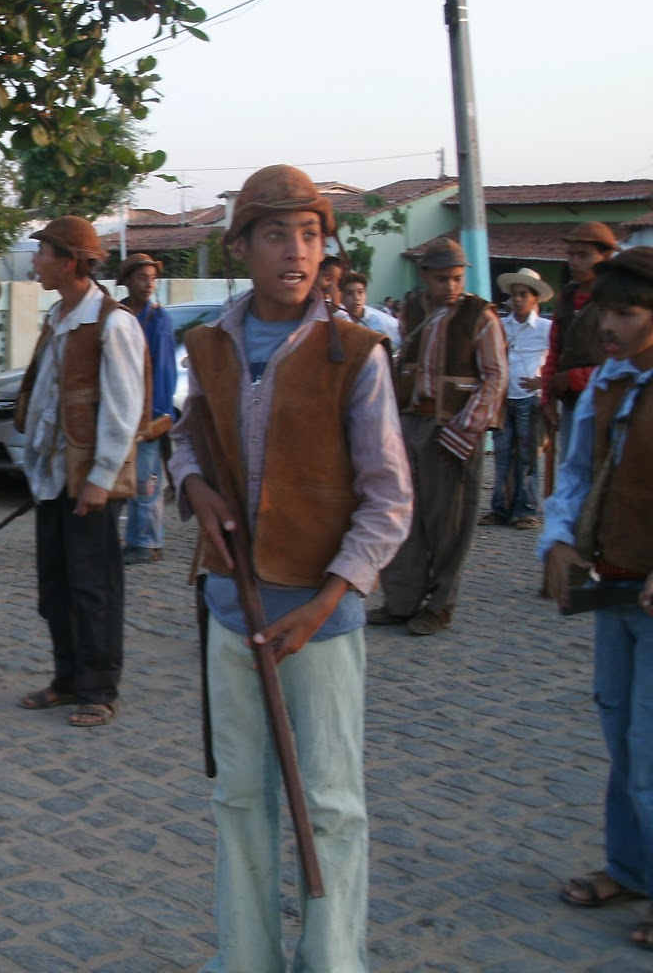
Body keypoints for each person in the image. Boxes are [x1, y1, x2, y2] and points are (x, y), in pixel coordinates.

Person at [170, 163, 412, 973]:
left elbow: (388, 497)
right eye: (276, 233)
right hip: (231, 601)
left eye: (309, 234)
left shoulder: (356, 351)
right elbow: (183, 436)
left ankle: (334, 960)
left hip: (321, 619)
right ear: (241, 245)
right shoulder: (207, 344)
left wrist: (332, 597)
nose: (296, 251)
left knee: (333, 806)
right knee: (239, 796)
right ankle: (245, 956)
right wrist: (193, 484)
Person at [538, 246, 653, 953]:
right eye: (606, 310)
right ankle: (631, 867)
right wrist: (557, 539)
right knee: (618, 730)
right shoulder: (610, 383)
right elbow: (576, 475)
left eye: (626, 313)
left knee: (650, 743)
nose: (608, 325)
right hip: (614, 589)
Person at [14, 216, 147, 728]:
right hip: (52, 477)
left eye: (42, 251)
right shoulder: (58, 317)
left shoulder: (114, 324)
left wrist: (101, 478)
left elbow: (123, 409)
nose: (35, 260)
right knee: (56, 585)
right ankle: (67, 678)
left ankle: (98, 687)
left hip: (87, 481)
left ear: (68, 261)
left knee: (94, 587)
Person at [373, 237, 507, 636]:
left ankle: (439, 605)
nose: (450, 286)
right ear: (424, 276)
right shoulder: (412, 310)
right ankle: (401, 602)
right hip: (410, 422)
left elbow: (496, 376)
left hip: (452, 427)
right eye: (442, 279)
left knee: (448, 523)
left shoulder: (480, 316)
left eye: (456, 278)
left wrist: (467, 428)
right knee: (404, 518)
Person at [482, 268, 553, 530]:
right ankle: (500, 507)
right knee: (502, 456)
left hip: (528, 398)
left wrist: (543, 382)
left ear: (535, 299)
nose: (519, 299)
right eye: (515, 295)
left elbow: (558, 358)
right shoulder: (501, 326)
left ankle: (527, 510)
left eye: (524, 295)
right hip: (503, 398)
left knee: (527, 457)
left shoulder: (546, 328)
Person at [117, 252, 175, 564]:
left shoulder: (158, 318)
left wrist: (158, 413)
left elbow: (164, 368)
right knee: (129, 479)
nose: (149, 284)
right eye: (142, 277)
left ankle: (149, 542)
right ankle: (135, 539)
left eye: (152, 278)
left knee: (146, 479)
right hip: (123, 408)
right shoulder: (121, 314)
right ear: (127, 281)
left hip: (149, 411)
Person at [543, 221, 618, 462]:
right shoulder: (566, 297)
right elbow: (554, 350)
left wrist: (574, 378)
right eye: (571, 255)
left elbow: (623, 361)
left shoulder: (617, 300)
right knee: (572, 470)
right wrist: (546, 397)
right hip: (572, 405)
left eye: (583, 255)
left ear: (606, 256)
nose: (574, 262)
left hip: (609, 404)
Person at [338, 271, 400, 345]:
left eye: (360, 292)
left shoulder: (377, 321)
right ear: (342, 296)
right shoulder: (338, 320)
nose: (356, 298)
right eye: (350, 293)